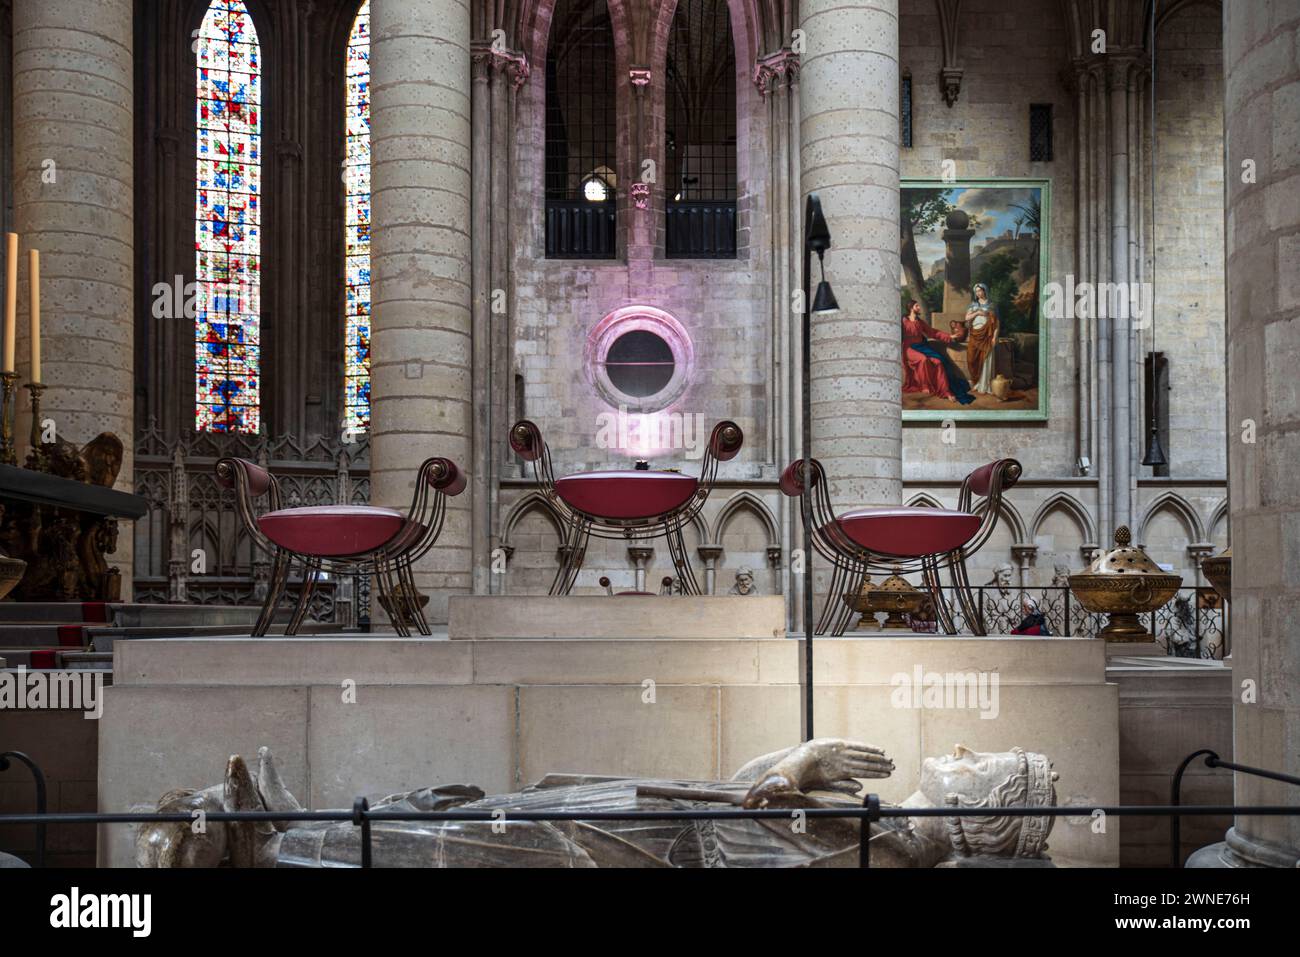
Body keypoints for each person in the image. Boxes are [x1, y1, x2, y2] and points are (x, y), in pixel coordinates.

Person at [136, 740, 1058, 868]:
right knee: (481, 809)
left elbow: (763, 850)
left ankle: (280, 847)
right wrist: (792, 760)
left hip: (645, 849)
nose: (965, 752)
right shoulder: (883, 820)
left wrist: (783, 779)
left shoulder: (891, 851)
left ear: (992, 807)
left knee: (467, 844)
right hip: (657, 812)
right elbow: (752, 790)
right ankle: (302, 828)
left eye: (988, 763)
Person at [901, 300, 975, 405]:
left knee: (939, 362)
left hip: (922, 347)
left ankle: (945, 391)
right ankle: (924, 385)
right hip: (909, 348)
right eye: (917, 306)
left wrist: (950, 336)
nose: (919, 308)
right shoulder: (903, 321)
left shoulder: (919, 321)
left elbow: (933, 332)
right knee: (923, 359)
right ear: (911, 307)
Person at [964, 283, 1000, 393]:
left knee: (986, 359)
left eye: (980, 290)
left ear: (985, 291)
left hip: (987, 336)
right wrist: (977, 312)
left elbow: (997, 323)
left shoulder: (992, 305)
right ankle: (976, 382)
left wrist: (994, 337)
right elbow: (967, 318)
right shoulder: (973, 304)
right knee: (971, 359)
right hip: (975, 334)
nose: (979, 293)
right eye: (977, 291)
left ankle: (984, 385)